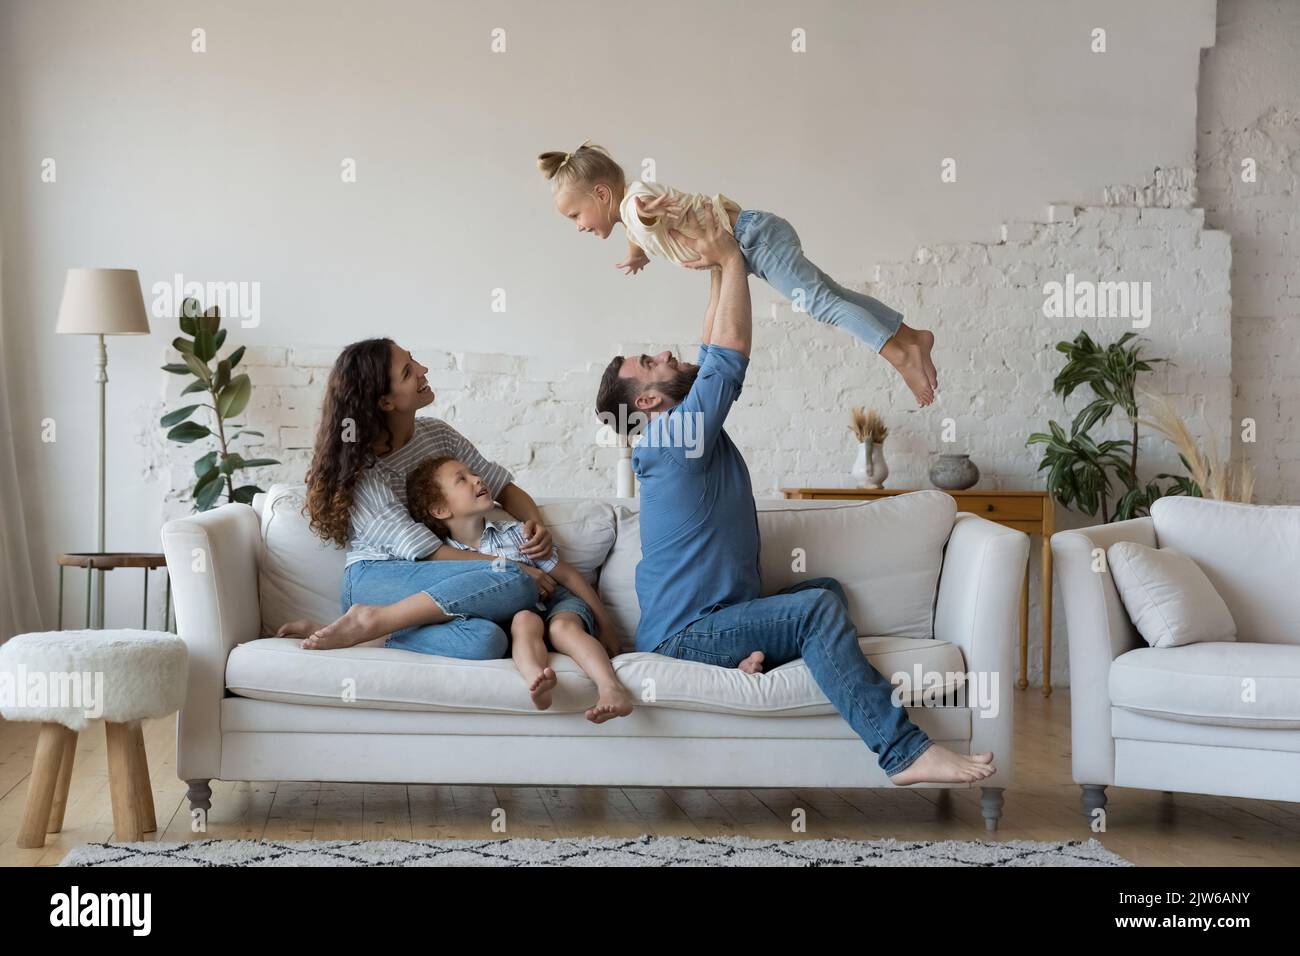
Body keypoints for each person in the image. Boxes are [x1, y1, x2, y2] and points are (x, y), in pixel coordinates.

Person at [592, 206, 996, 786]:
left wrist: (716, 262)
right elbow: (727, 360)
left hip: (715, 622)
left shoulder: (674, 432)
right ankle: (904, 752)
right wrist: (731, 258)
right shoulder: (673, 438)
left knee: (824, 590)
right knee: (814, 611)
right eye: (651, 364)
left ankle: (751, 657)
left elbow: (709, 355)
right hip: (686, 636)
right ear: (649, 403)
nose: (665, 354)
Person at [541, 140, 939, 407]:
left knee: (821, 304)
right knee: (832, 294)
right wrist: (638, 256)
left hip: (753, 238)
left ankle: (899, 354)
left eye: (575, 215)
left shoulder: (634, 205)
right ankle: (911, 336)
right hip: (754, 239)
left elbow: (641, 210)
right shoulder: (628, 221)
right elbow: (637, 230)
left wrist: (649, 209)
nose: (577, 225)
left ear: (602, 195)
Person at [276, 338, 554, 659]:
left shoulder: (438, 434)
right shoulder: (362, 468)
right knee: (514, 579)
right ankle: (369, 617)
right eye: (409, 372)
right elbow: (428, 553)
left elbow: (502, 487)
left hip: (431, 579)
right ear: (385, 402)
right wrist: (514, 566)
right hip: (376, 578)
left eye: (414, 361)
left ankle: (371, 633)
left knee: (488, 640)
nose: (424, 370)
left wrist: (536, 525)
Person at [405, 455, 633, 723]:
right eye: (462, 479)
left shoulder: (514, 533)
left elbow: (569, 577)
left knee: (562, 628)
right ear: (441, 510)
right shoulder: (449, 556)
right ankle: (537, 679)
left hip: (557, 603)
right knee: (524, 621)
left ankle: (610, 687)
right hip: (518, 618)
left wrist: (606, 625)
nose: (477, 478)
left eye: (473, 473)